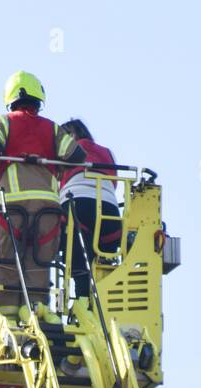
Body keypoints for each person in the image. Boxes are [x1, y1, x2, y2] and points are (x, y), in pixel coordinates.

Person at [0, 71, 86, 313]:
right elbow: (77, 156)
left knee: (6, 259)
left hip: (12, 204)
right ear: (39, 99)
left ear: (10, 98)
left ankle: (8, 312)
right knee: (38, 260)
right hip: (48, 205)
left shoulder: (4, 122)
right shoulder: (52, 128)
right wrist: (51, 163)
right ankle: (37, 310)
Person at [56, 118, 122, 299]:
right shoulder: (107, 153)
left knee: (75, 246)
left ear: (72, 135)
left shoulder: (67, 152)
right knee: (104, 256)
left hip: (77, 204)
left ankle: (82, 299)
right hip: (109, 210)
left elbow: (55, 186)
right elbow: (114, 181)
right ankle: (103, 296)